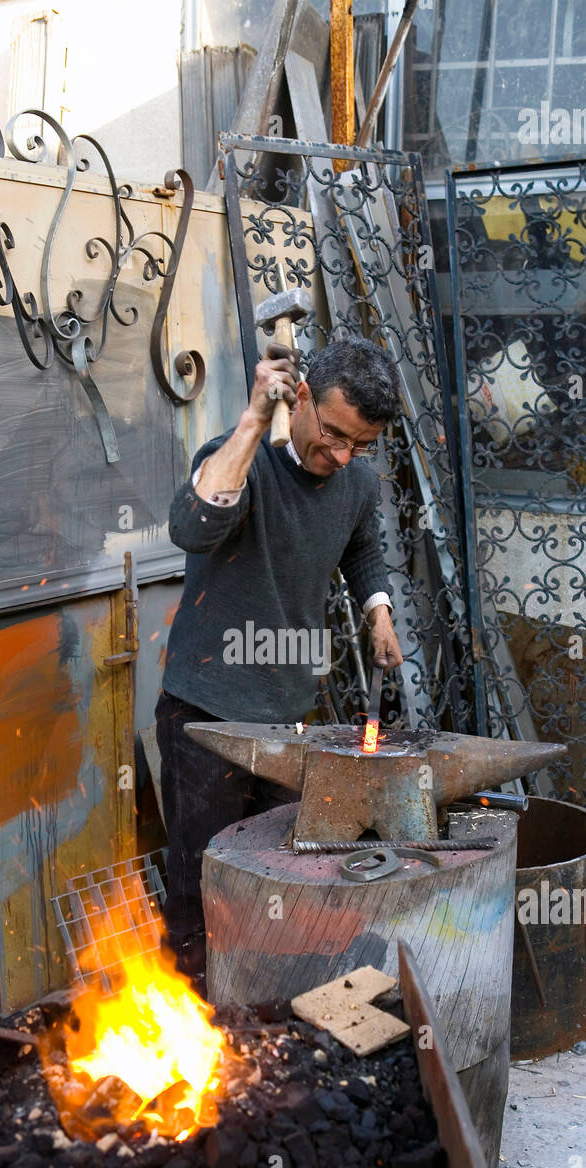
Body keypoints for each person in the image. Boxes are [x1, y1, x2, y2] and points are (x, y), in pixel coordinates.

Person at [155, 335, 404, 989]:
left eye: (361, 446)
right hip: (206, 715)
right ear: (301, 398)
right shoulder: (240, 465)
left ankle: (264, 1019)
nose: (343, 455)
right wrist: (249, 421)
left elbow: (360, 546)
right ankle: (195, 1023)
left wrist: (377, 610)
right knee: (201, 882)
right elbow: (193, 526)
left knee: (282, 875)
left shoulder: (355, 482)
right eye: (336, 434)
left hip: (289, 716)